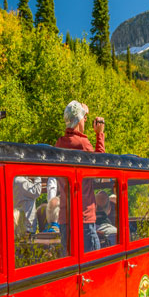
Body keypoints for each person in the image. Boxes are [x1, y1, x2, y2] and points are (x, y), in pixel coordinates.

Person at [55, 100, 106, 252]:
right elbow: (100, 165)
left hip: (65, 218)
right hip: (84, 217)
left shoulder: (60, 143)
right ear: (78, 120)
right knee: (92, 261)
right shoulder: (83, 144)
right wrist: (99, 134)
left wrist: (81, 113)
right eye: (83, 118)